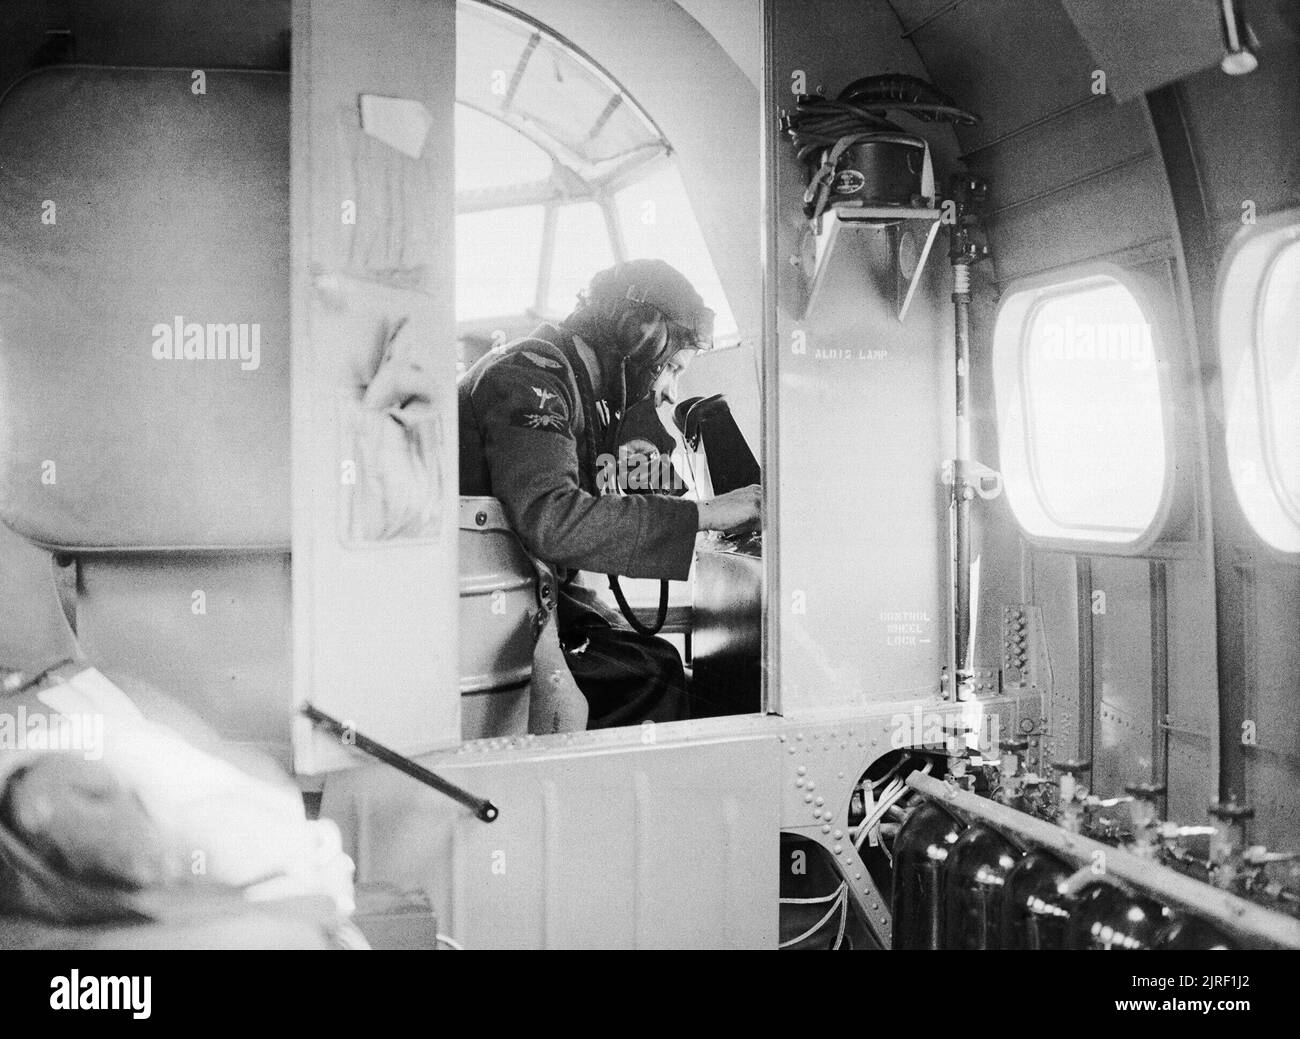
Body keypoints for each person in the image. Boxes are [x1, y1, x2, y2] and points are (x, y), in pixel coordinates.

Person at [458, 259, 761, 728]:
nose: (670, 392)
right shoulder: (529, 375)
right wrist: (705, 514)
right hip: (481, 634)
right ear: (640, 337)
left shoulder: (572, 385)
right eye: (673, 369)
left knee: (658, 662)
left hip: (510, 618)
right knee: (658, 679)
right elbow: (553, 520)